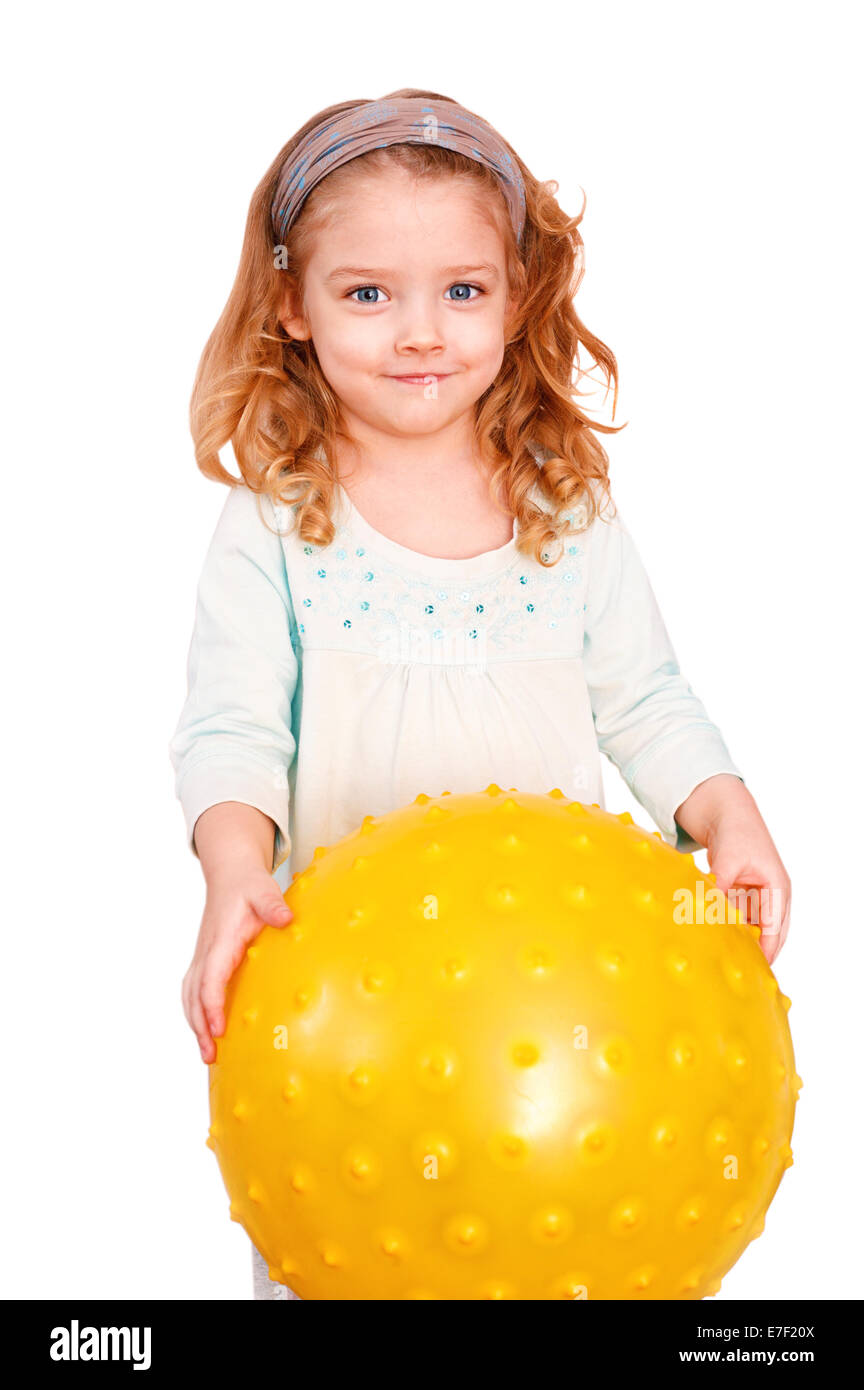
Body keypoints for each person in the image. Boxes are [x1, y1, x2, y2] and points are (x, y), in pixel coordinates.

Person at [168, 88, 792, 1301]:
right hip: (354, 1041)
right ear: (292, 304)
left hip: (561, 1034)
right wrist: (234, 872)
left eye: (462, 290)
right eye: (367, 293)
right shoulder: (277, 520)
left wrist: (727, 815)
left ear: (517, 296)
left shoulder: (565, 507)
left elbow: (647, 697)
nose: (419, 332)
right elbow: (231, 730)